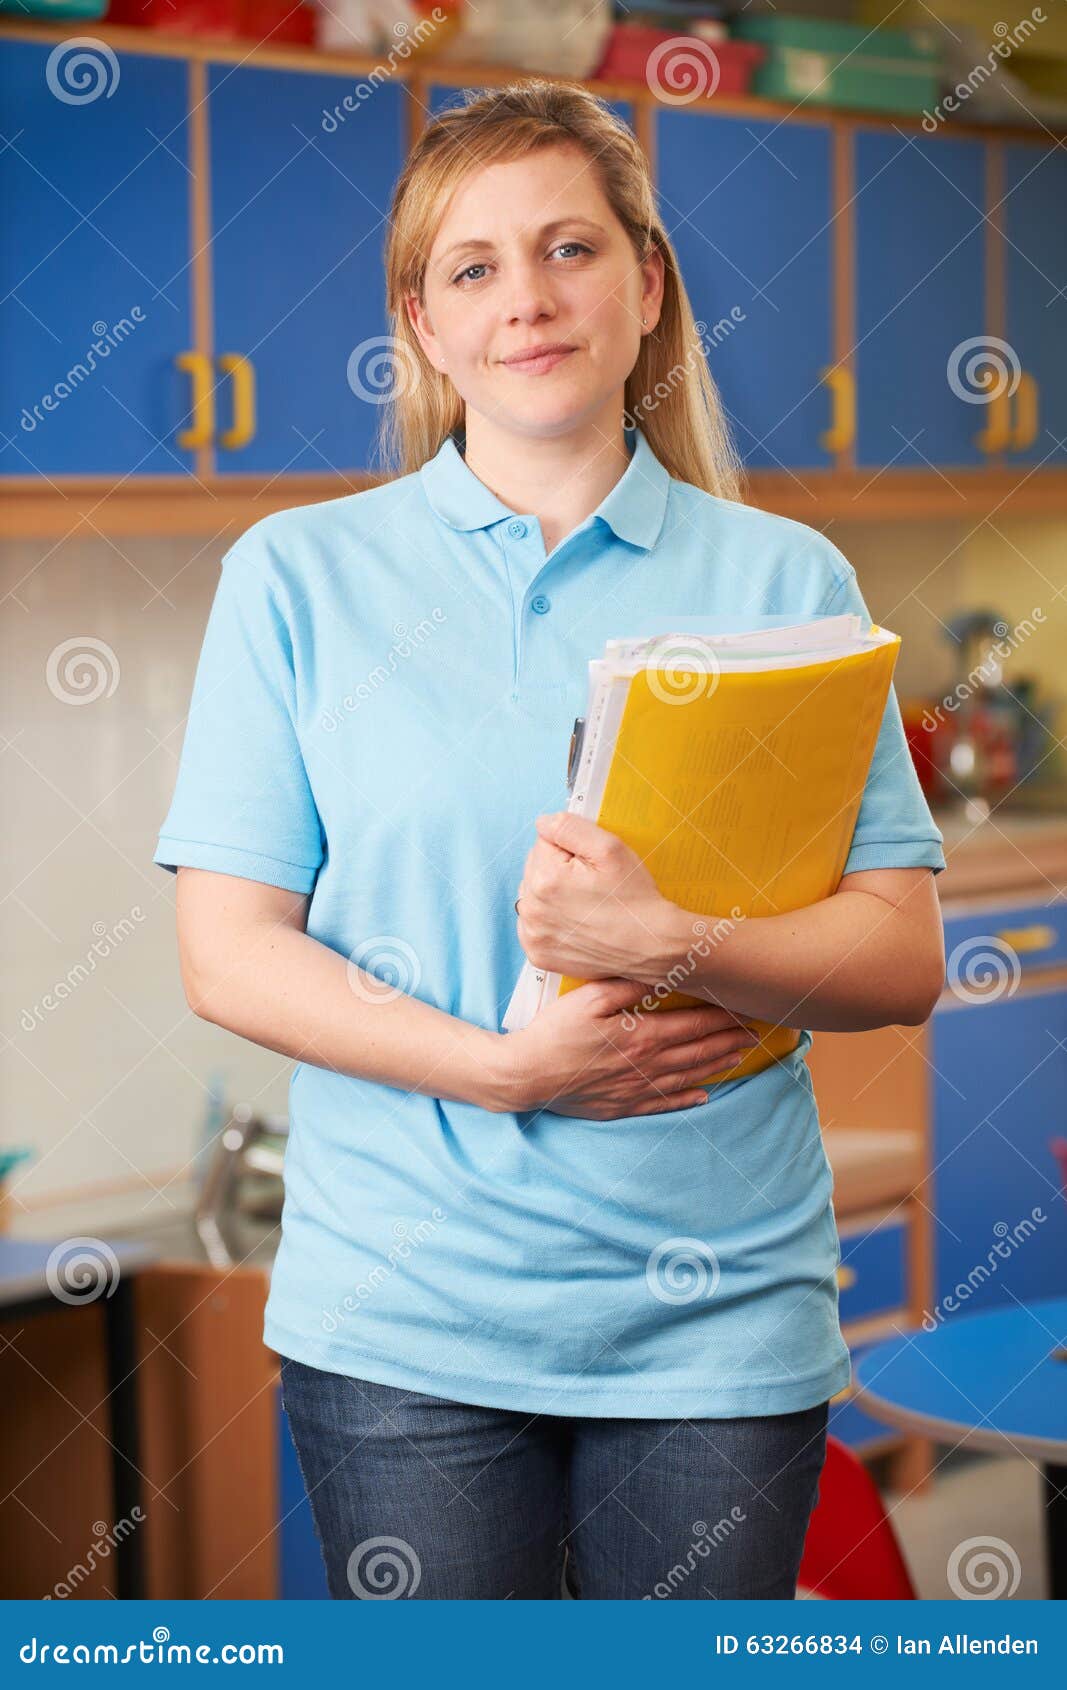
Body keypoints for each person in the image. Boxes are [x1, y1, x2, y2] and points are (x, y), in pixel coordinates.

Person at [153, 80, 946, 1600]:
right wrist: (512, 1071)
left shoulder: (787, 581)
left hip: (718, 1320)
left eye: (572, 250)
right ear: (426, 323)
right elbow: (227, 951)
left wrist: (669, 944)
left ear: (647, 288)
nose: (528, 299)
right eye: (476, 267)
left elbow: (899, 952)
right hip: (404, 1323)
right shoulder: (298, 581)